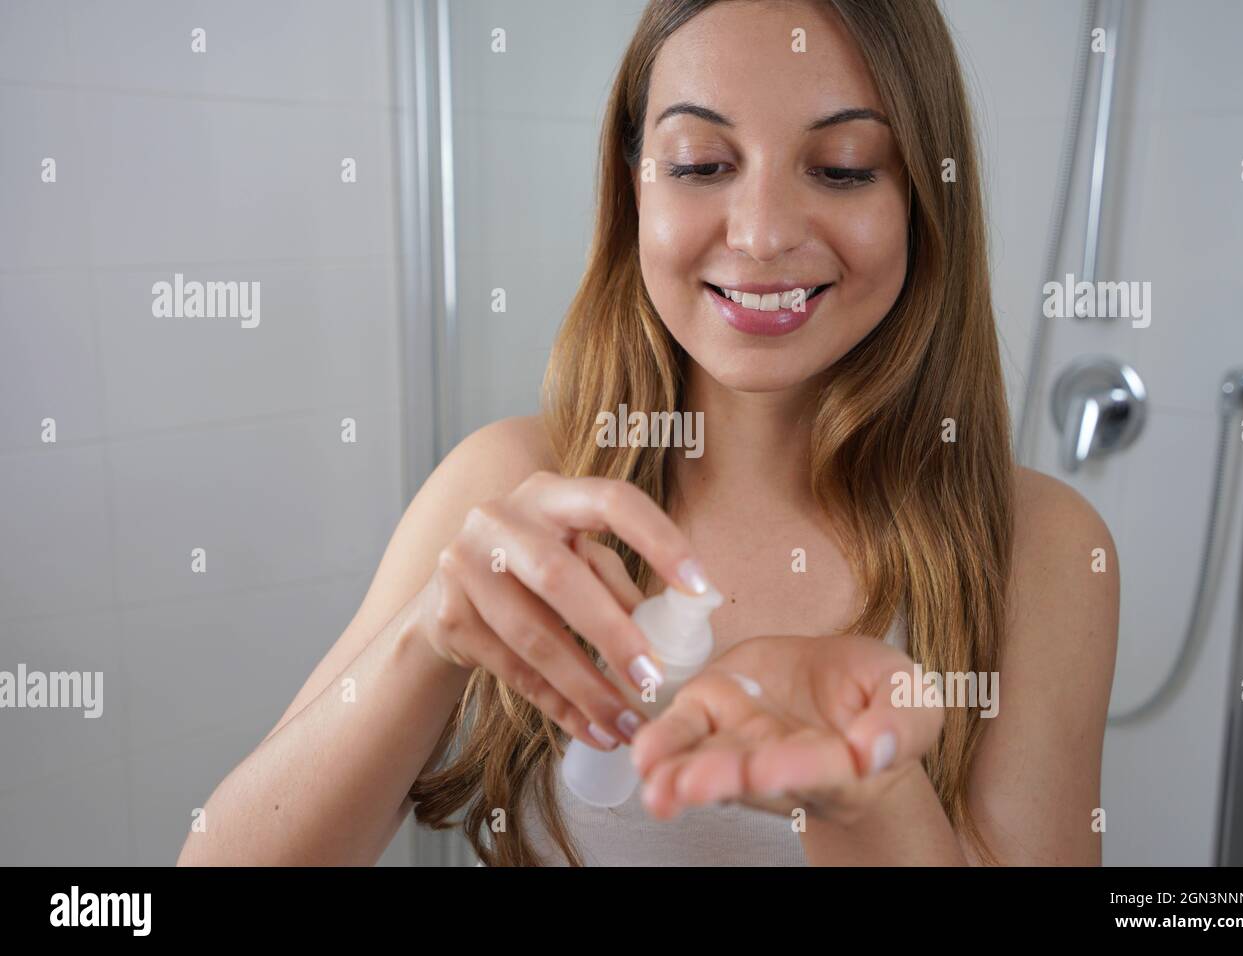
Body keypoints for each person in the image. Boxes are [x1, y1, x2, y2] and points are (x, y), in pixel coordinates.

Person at [178, 0, 1119, 867]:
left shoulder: (1041, 549)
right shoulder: (508, 486)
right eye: (703, 165)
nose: (759, 235)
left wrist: (868, 803)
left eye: (840, 169)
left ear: (921, 199)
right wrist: (427, 641)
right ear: (634, 193)